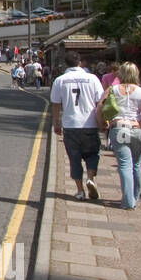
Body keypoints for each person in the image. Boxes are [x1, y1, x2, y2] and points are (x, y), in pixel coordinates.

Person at [96, 61, 141, 210]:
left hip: (120, 128)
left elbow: (100, 107)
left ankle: (128, 201)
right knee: (136, 164)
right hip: (137, 129)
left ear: (121, 73)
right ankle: (134, 197)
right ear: (136, 74)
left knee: (124, 164)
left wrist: (102, 123)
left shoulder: (112, 89)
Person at [49, 51, 104, 201]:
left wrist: (56, 123)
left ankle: (80, 191)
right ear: (80, 62)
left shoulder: (60, 80)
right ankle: (91, 178)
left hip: (70, 124)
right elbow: (100, 101)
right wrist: (102, 122)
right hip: (89, 123)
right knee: (92, 154)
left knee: (74, 158)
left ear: (65, 64)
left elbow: (55, 104)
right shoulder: (92, 78)